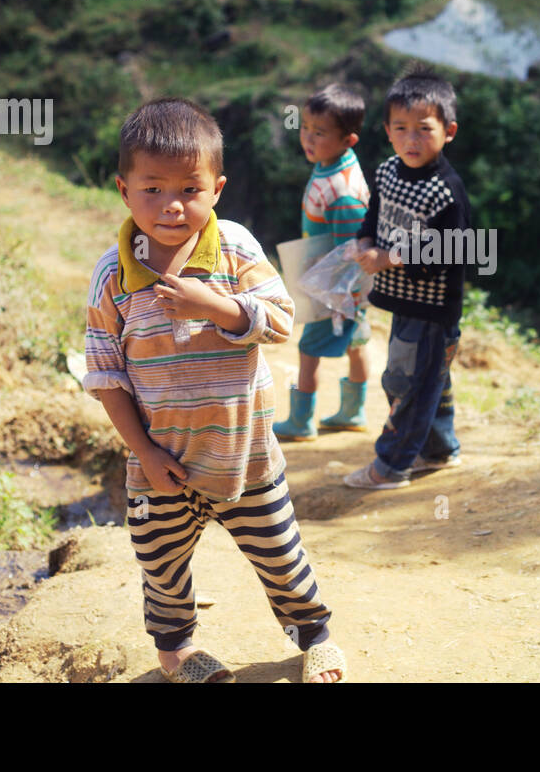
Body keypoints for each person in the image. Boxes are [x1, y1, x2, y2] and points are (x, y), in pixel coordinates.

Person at [83, 97, 346, 682]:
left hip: (245, 456)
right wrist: (145, 454)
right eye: (152, 189)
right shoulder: (112, 275)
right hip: (162, 465)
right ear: (124, 190)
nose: (172, 206)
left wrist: (218, 307)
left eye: (189, 190)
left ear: (217, 189)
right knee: (163, 566)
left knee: (281, 556)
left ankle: (314, 637)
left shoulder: (234, 249)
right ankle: (177, 656)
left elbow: (281, 320)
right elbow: (106, 375)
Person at [344, 64, 471, 490]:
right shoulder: (386, 173)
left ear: (448, 131)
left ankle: (391, 465)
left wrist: (388, 258)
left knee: (406, 382)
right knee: (427, 376)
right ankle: (438, 450)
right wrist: (365, 243)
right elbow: (374, 216)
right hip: (400, 298)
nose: (411, 139)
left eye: (424, 129)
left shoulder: (445, 191)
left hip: (433, 307)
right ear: (387, 130)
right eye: (401, 128)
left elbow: (447, 254)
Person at [272, 84, 373, 440]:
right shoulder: (333, 166)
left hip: (335, 284)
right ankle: (354, 410)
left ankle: (301, 421)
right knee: (357, 341)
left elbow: (350, 246)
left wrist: (333, 288)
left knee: (308, 349)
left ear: (349, 140)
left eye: (320, 133)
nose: (308, 139)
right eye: (305, 129)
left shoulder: (343, 192)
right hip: (351, 285)